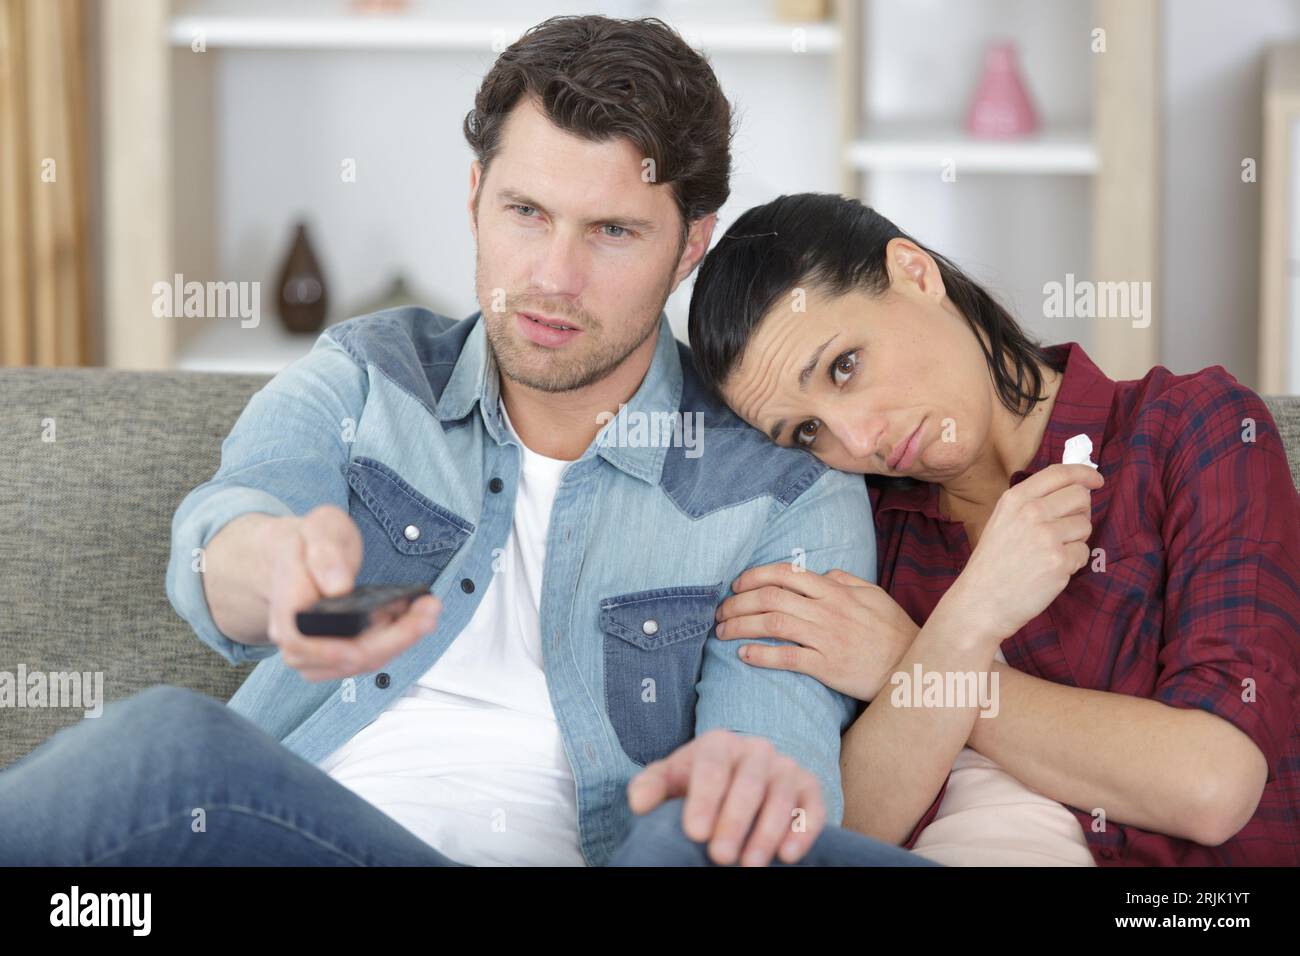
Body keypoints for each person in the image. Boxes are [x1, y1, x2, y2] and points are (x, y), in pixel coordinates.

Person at [0, 18, 932, 869]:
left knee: (702, 833)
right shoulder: (368, 375)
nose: (554, 279)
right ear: (477, 194)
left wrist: (750, 777)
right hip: (305, 841)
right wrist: (277, 572)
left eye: (612, 231)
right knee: (168, 748)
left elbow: (772, 757)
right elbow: (230, 526)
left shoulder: (777, 490)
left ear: (691, 245)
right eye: (526, 213)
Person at [687, 191, 1300, 865]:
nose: (859, 438)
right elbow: (847, 831)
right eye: (808, 431)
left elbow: (1211, 782)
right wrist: (961, 629)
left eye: (845, 366)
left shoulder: (1194, 431)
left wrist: (911, 660)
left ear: (915, 274)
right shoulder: (865, 531)